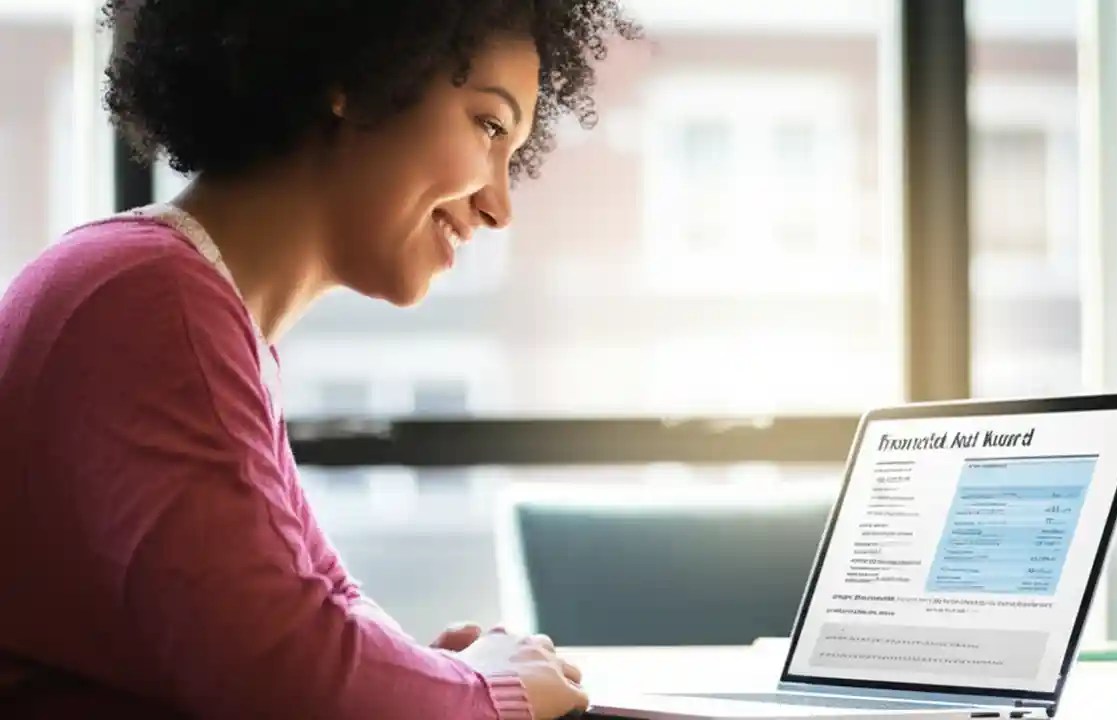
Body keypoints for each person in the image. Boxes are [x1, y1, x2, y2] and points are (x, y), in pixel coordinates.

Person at [0, 1, 639, 718]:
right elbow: (284, 672)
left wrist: (435, 676)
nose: (498, 205)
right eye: (488, 125)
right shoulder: (152, 303)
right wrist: (493, 693)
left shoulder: (189, 306)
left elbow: (322, 610)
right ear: (360, 80)